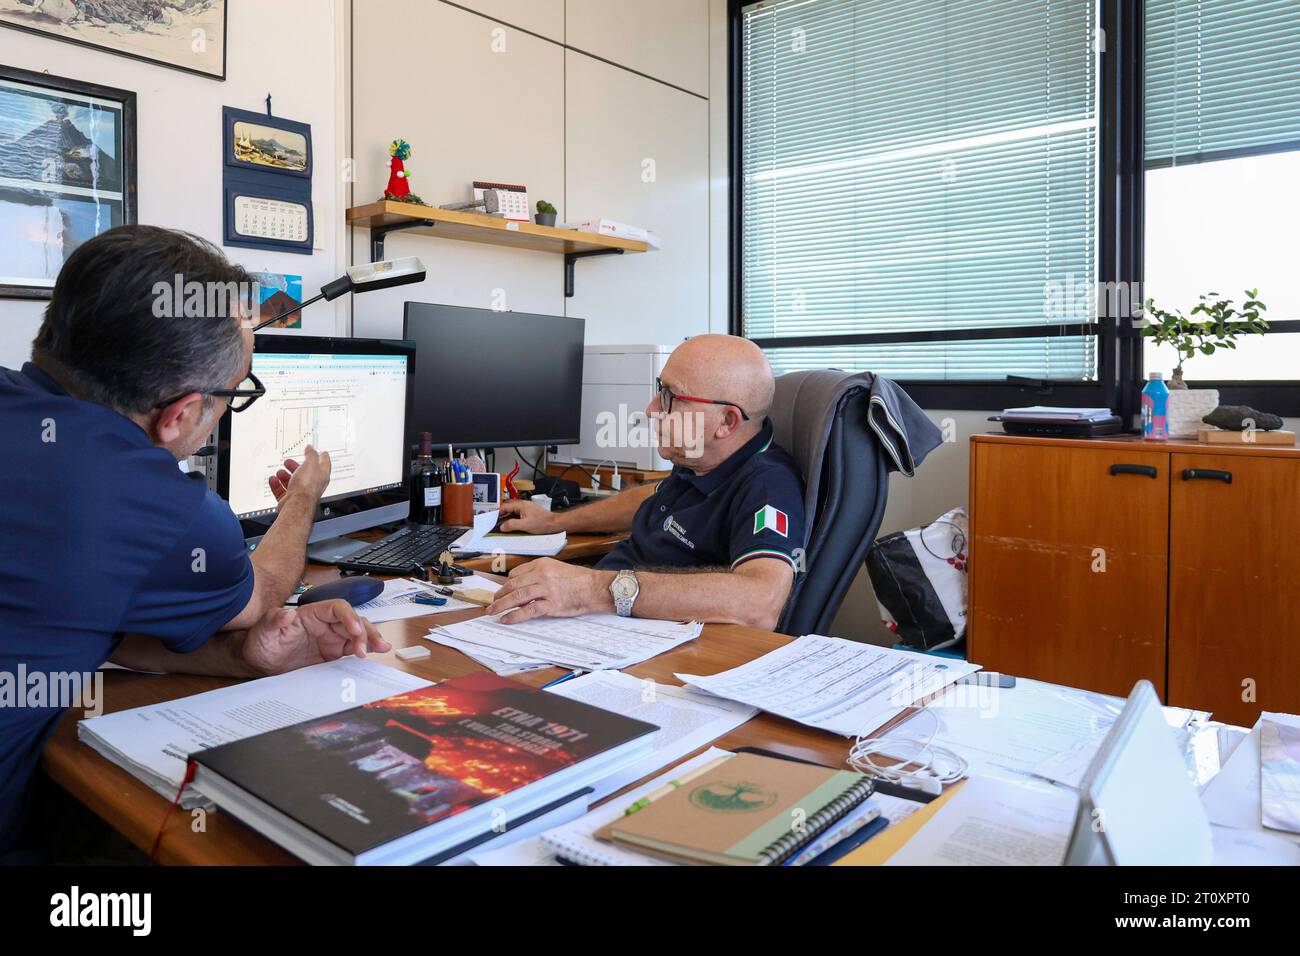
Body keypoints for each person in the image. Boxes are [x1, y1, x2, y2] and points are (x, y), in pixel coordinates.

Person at [0, 225, 389, 860]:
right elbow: (263, 595)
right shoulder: (157, 508)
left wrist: (240, 659)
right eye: (233, 397)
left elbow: (68, 614)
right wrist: (301, 502)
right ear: (180, 415)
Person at [487, 334, 805, 631]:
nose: (651, 410)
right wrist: (555, 521)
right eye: (659, 389)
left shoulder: (767, 485)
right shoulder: (700, 460)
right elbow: (651, 496)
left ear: (726, 422)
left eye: (670, 396)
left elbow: (761, 603)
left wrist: (592, 589)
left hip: (641, 645)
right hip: (593, 623)